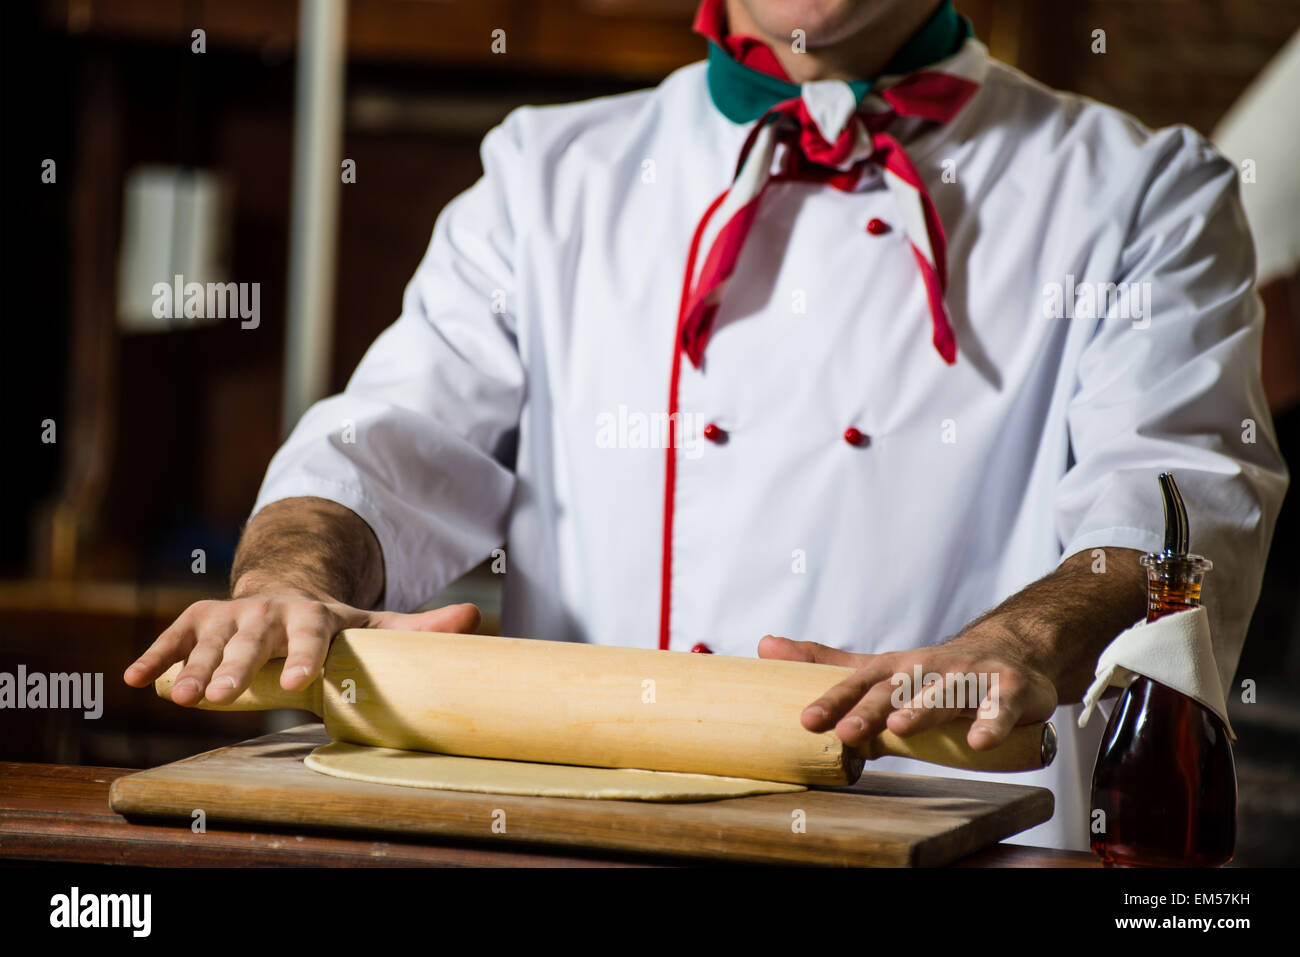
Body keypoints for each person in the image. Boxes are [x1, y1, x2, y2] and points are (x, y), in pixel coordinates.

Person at [125, 0, 1288, 850]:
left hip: (959, 847)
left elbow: (1176, 491)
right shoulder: (547, 174)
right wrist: (288, 575)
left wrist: (1021, 642)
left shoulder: (1141, 193)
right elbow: (384, 447)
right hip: (584, 848)